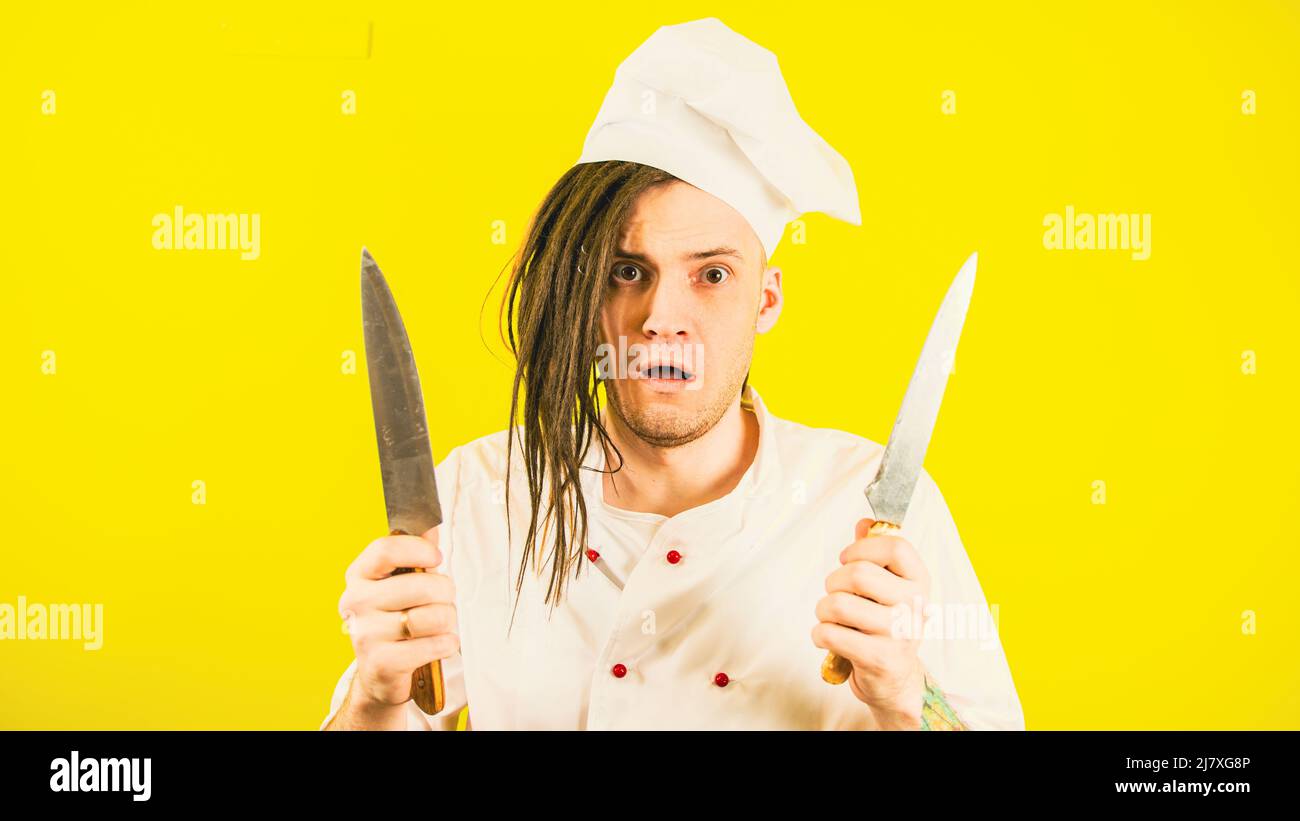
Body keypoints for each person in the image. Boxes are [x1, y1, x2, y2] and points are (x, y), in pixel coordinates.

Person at [322, 17, 1023, 731]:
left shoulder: (870, 512)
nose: (663, 316)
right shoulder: (479, 498)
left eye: (712, 274)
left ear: (767, 299)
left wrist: (906, 700)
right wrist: (373, 702)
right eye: (628, 272)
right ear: (589, 292)